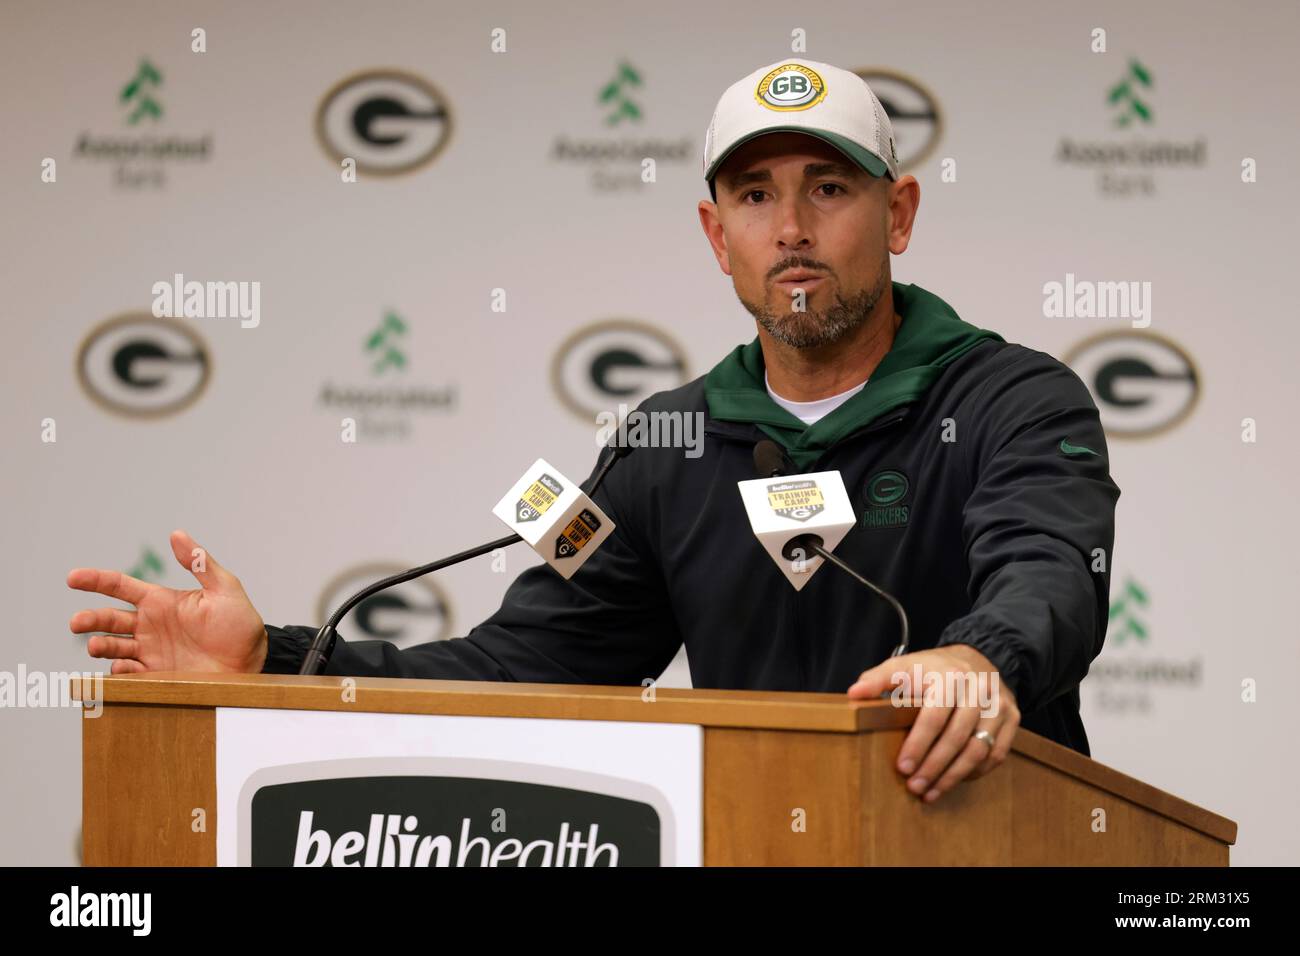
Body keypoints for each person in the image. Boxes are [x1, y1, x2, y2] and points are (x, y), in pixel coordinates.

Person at [67, 59, 1119, 806]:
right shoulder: (660, 445)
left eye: (828, 189)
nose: (791, 227)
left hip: (986, 837)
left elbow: (1049, 575)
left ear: (895, 216)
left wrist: (977, 657)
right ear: (717, 235)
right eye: (755, 194)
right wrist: (273, 657)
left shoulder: (1014, 398)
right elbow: (517, 666)